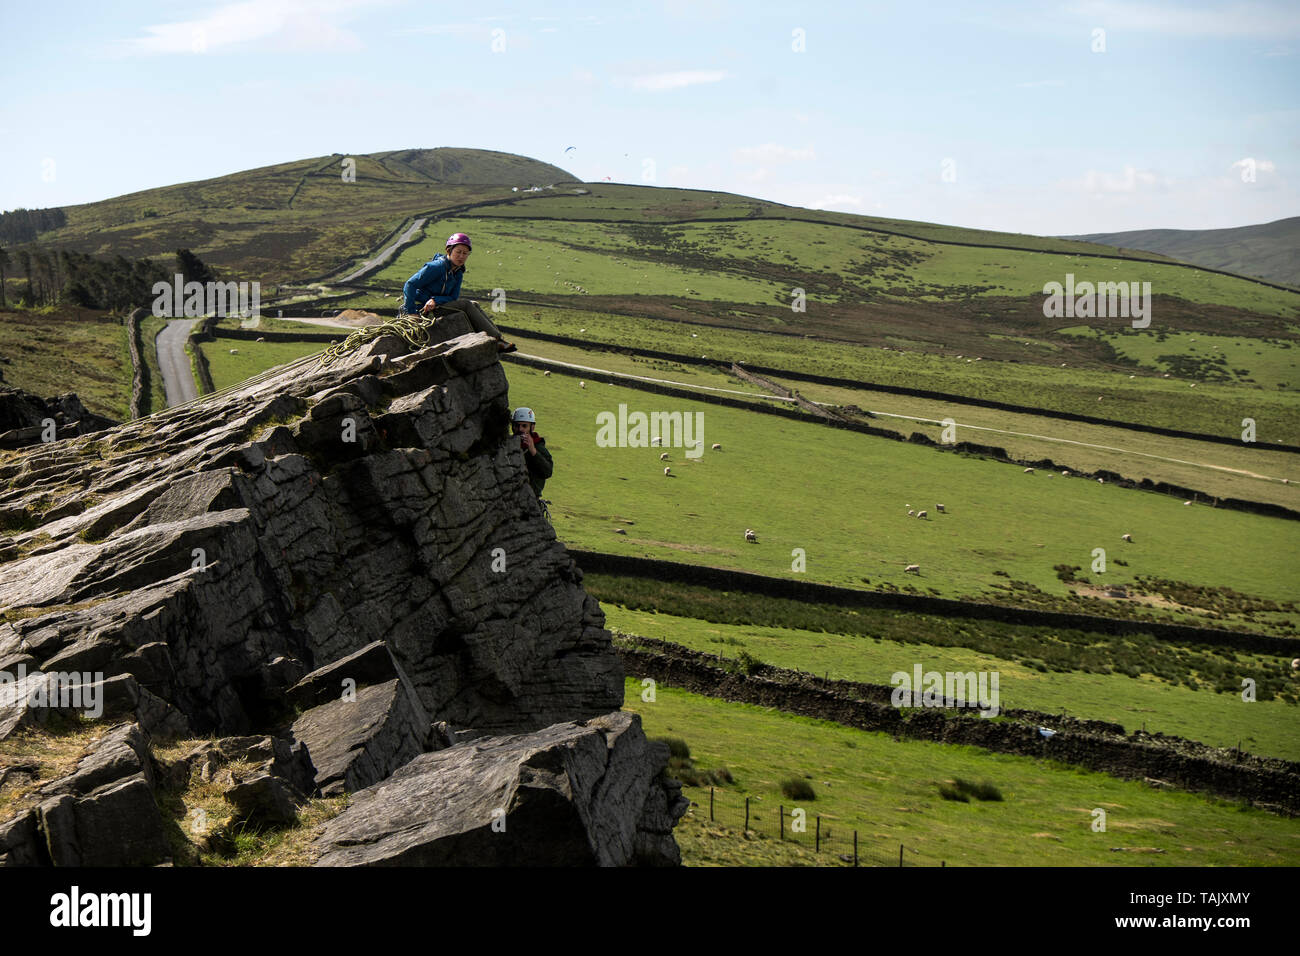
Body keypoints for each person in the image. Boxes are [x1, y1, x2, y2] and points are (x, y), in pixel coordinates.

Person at [402, 232, 516, 353]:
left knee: (474, 304)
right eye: (458, 252)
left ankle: (495, 339)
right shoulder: (436, 267)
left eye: (465, 253)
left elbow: (453, 296)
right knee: (466, 305)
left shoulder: (458, 272)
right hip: (422, 308)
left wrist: (436, 300)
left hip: (436, 305)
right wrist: (411, 312)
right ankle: (496, 340)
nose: (461, 256)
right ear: (449, 251)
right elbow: (410, 284)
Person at [512, 406, 553, 497]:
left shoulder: (539, 448)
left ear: (532, 427)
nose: (520, 429)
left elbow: (547, 472)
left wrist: (533, 451)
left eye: (524, 426)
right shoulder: (508, 445)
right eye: (516, 425)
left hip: (531, 499)